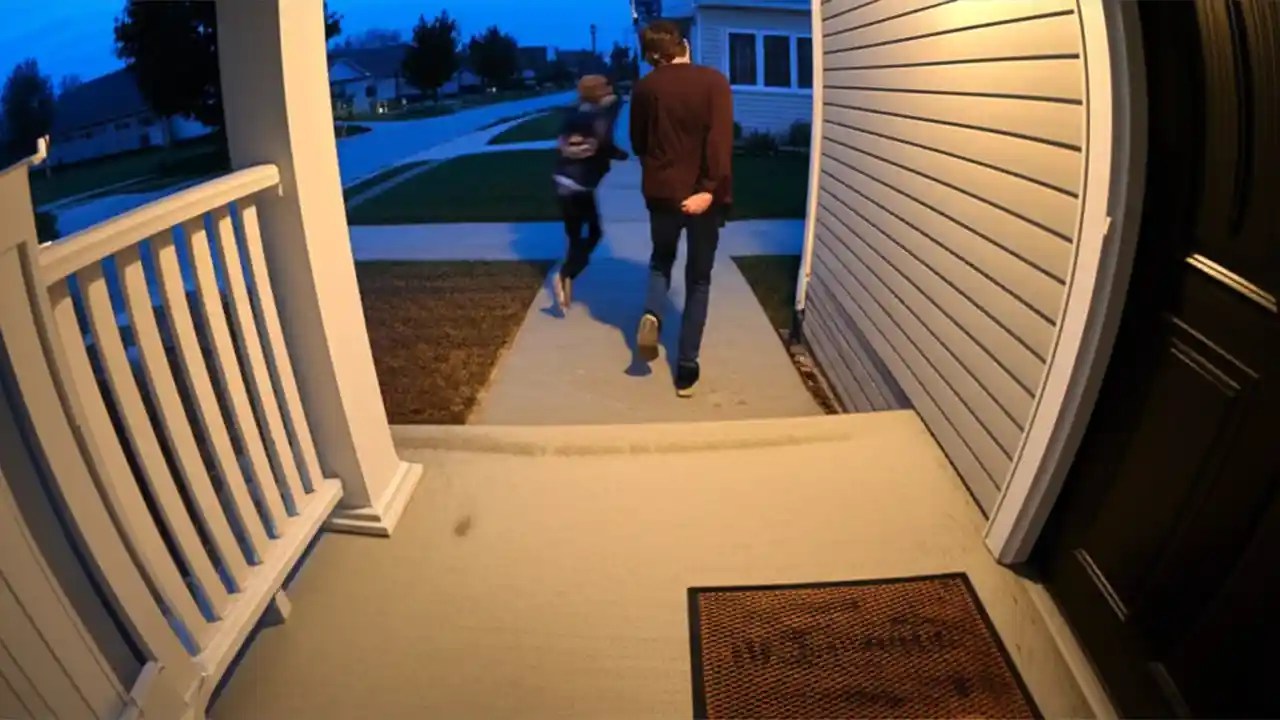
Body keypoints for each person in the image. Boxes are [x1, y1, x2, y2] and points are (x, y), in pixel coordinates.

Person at [630, 20, 734, 398]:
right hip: (704, 198)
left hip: (662, 193)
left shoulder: (645, 88)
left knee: (662, 260)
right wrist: (707, 189)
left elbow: (638, 142)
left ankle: (652, 312)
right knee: (699, 278)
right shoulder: (714, 83)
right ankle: (686, 367)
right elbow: (720, 142)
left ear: (652, 56)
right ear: (684, 45)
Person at [551, 75, 628, 310]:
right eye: (606, 86)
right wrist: (620, 155)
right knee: (594, 233)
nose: (610, 88)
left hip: (563, 180)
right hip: (580, 183)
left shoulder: (573, 112)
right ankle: (565, 274)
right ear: (598, 91)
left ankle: (567, 280)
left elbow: (562, 142)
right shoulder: (598, 116)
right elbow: (603, 142)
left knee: (575, 236)